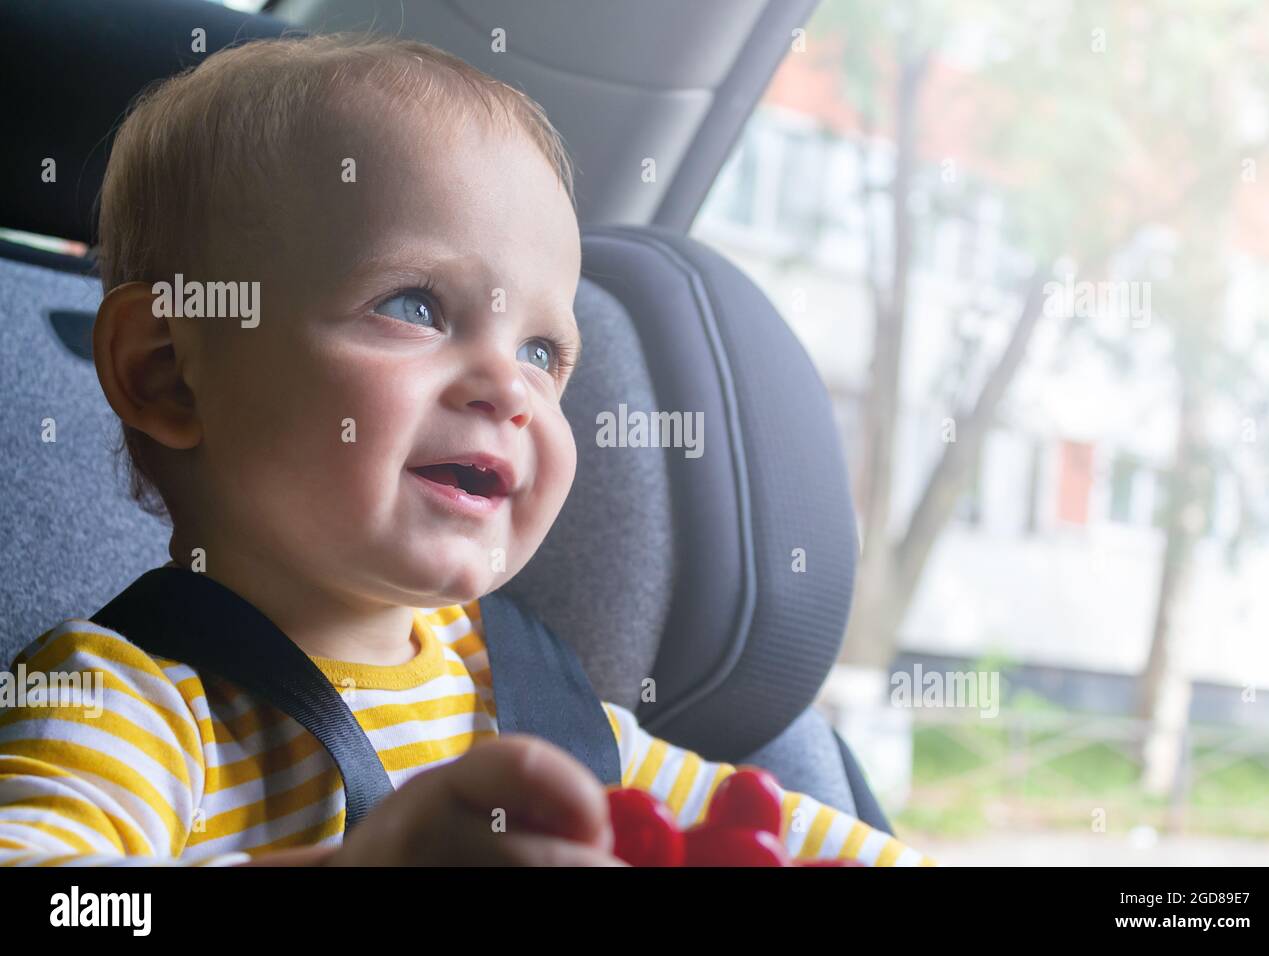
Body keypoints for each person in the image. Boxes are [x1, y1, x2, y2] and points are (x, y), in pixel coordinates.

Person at [0, 33, 935, 867]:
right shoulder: (127, 706)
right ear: (170, 373)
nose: (509, 387)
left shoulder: (538, 704)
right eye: (414, 306)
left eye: (543, 352)